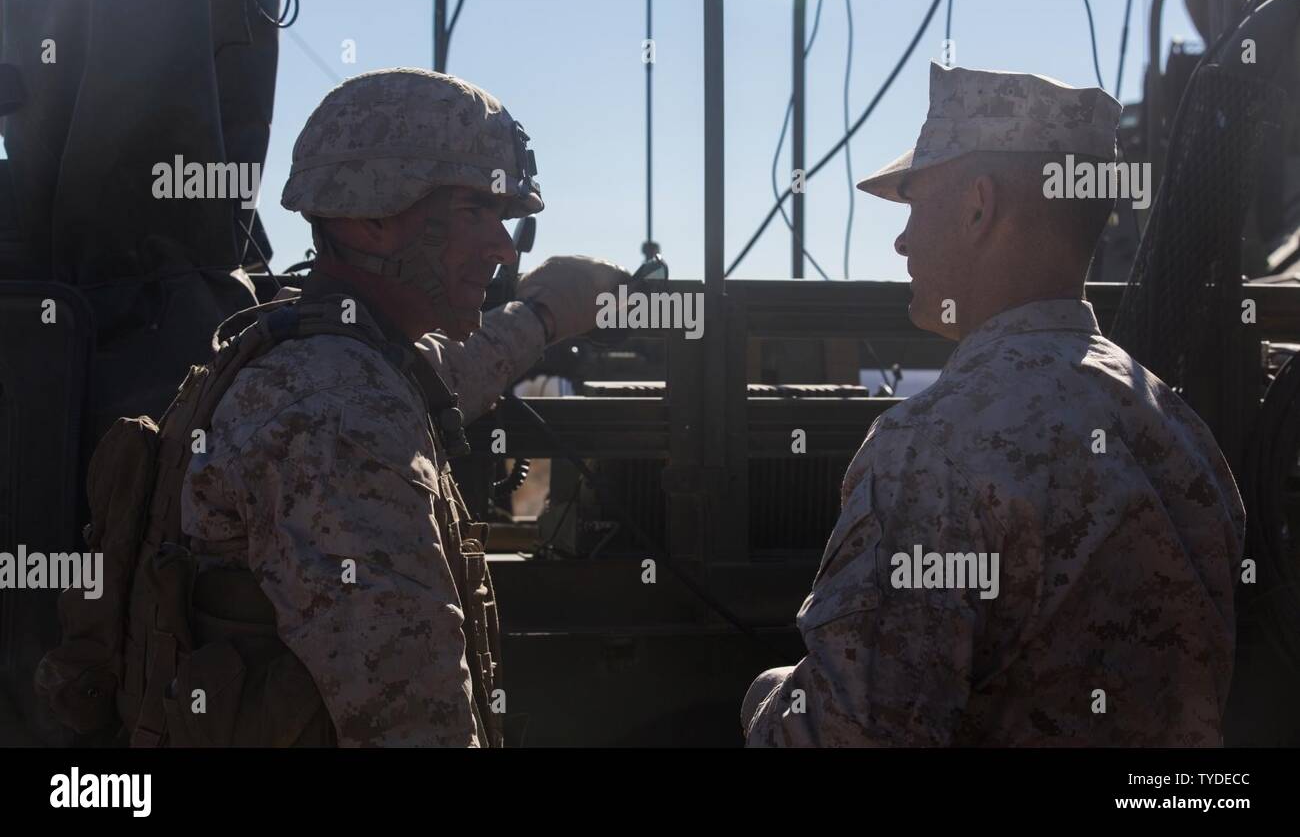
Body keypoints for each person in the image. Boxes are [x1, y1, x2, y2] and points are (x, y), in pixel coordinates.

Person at [742, 62, 1246, 747]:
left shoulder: (934, 444)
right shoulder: (1181, 434)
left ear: (978, 205)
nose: (901, 240)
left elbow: (853, 736)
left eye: (916, 202)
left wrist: (768, 704)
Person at [181, 68, 625, 746]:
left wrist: (542, 313)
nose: (504, 249)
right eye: (477, 213)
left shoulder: (332, 353)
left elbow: (444, 373)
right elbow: (414, 726)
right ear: (373, 216)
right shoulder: (337, 414)